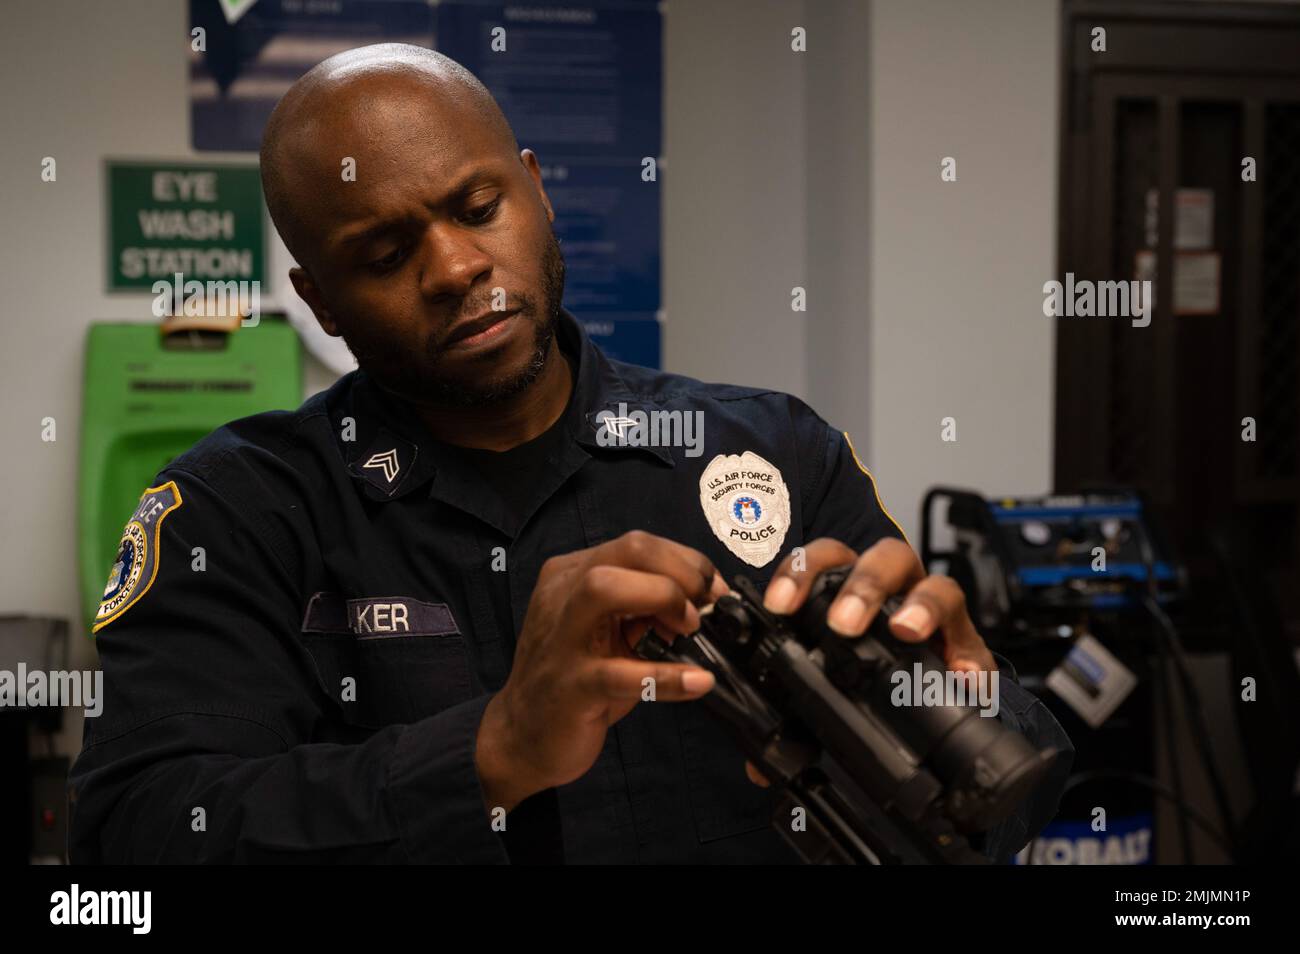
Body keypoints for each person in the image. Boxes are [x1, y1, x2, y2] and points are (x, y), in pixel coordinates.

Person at [68, 44, 1072, 864]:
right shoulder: (236, 511)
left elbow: (1010, 792)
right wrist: (489, 752)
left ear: (535, 191)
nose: (457, 268)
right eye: (383, 255)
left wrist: (971, 708)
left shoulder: (772, 450)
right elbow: (128, 846)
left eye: (476, 208)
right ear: (319, 301)